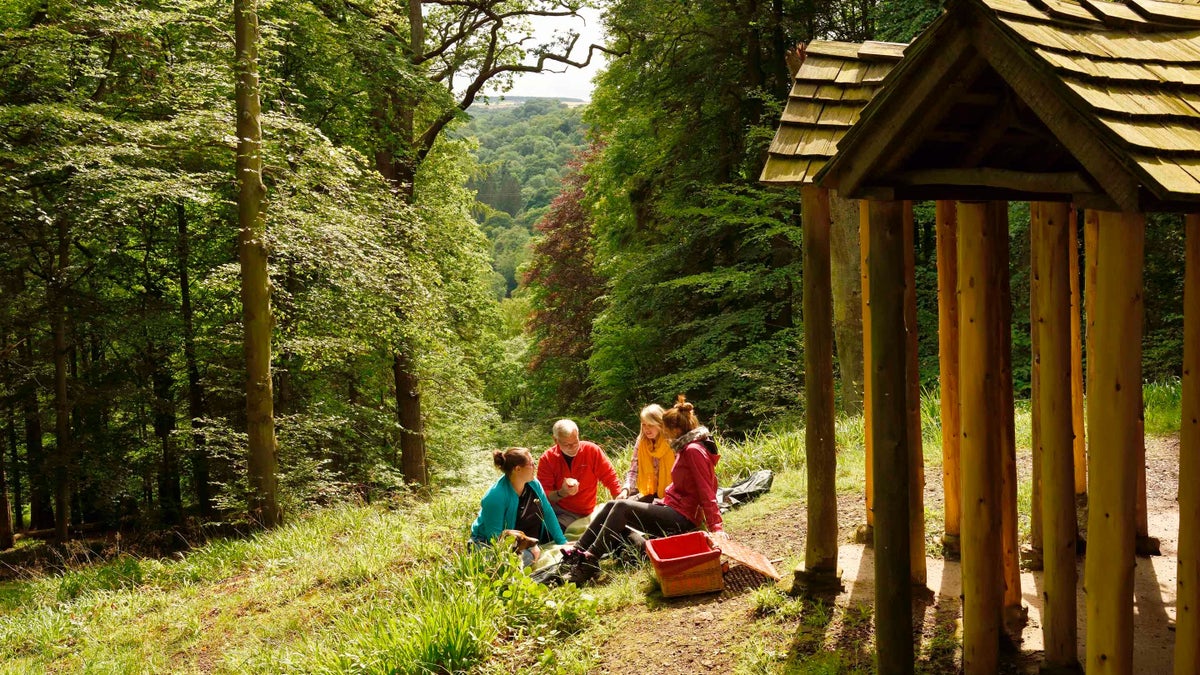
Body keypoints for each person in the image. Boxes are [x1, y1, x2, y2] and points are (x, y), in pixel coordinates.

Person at [561, 396, 725, 585]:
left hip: (683, 518)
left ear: (676, 430)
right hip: (671, 508)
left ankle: (589, 561)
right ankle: (576, 553)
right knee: (613, 504)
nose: (664, 433)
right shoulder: (686, 448)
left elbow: (706, 490)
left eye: (665, 429)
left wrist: (716, 528)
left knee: (622, 508)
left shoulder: (693, 451)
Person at [471, 447, 566, 566]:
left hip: (522, 539)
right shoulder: (495, 497)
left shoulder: (534, 484)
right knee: (523, 559)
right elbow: (495, 538)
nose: (535, 467)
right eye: (531, 464)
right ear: (517, 469)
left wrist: (562, 542)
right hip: (486, 544)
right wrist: (530, 548)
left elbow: (547, 511)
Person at [537, 419, 622, 531]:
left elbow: (609, 477)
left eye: (575, 442)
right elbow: (543, 495)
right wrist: (561, 493)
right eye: (567, 444)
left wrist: (619, 500)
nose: (573, 447)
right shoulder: (548, 458)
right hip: (557, 509)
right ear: (556, 440)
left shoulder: (591, 450)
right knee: (540, 530)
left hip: (583, 511)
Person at [616, 404, 675, 502]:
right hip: (648, 492)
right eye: (644, 425)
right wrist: (626, 490)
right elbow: (633, 471)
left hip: (671, 497)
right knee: (617, 504)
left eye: (650, 425)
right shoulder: (641, 442)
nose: (646, 429)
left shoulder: (672, 442)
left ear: (660, 424)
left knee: (624, 506)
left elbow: (680, 475)